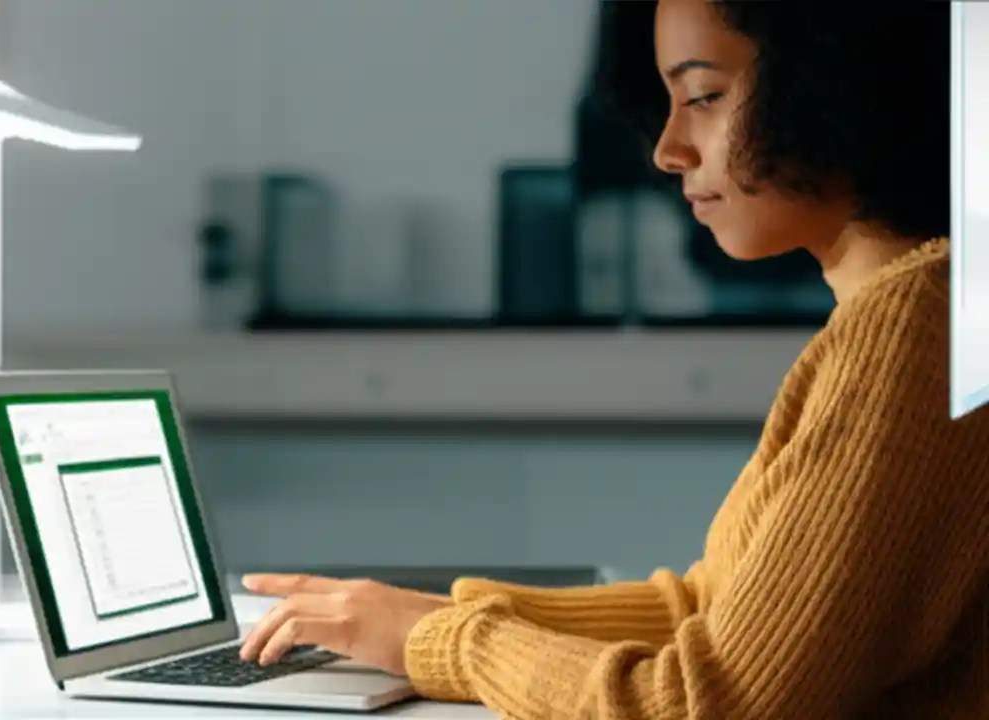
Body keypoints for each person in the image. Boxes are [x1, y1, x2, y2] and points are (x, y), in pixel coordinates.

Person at [239, 1, 989, 717]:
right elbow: (709, 610)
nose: (668, 150)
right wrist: (416, 616)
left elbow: (715, 702)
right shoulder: (923, 307)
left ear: (836, 83)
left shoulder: (917, 329)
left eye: (703, 95)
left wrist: (447, 642)